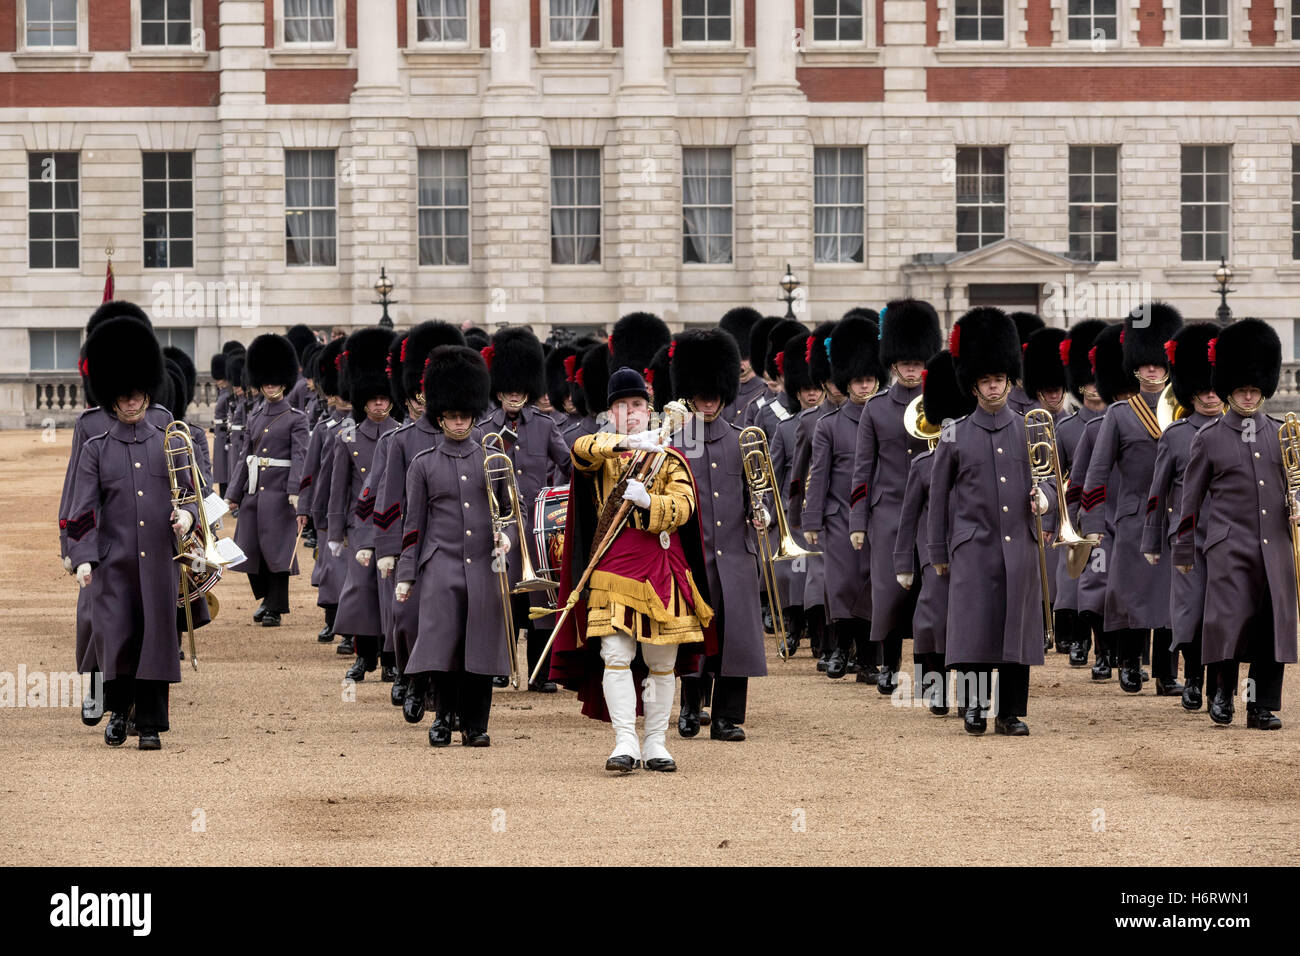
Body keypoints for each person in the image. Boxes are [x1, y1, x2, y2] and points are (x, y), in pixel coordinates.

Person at [548, 367, 716, 773]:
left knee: (661, 661)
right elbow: (581, 449)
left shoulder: (670, 458)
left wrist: (648, 504)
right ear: (611, 412)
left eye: (637, 405)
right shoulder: (603, 451)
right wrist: (628, 443)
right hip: (613, 568)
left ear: (650, 409)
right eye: (621, 406)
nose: (630, 411)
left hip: (662, 569)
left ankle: (656, 741)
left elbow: (685, 506)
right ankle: (625, 740)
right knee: (615, 654)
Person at [67, 316, 200, 750]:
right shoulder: (96, 447)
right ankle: (118, 713)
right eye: (124, 397)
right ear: (113, 399)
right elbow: (83, 507)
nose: (133, 402)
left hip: (160, 560)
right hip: (114, 561)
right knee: (117, 638)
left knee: (156, 639)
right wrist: (84, 555)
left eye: (139, 394)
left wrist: (188, 518)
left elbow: (191, 494)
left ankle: (149, 724)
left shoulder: (170, 438)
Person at [929, 307, 1053, 736]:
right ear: (974, 384)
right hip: (973, 546)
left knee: (1015, 630)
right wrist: (937, 552)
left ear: (1009, 379)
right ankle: (974, 707)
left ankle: (1011, 712)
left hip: (1019, 543)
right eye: (985, 379)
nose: (994, 385)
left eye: (999, 378)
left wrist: (1046, 500)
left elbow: (1050, 479)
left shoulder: (1032, 428)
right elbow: (937, 498)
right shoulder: (954, 433)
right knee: (974, 629)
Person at [1171, 319, 1295, 729]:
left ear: (1263, 390)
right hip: (1227, 545)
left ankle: (1260, 706)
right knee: (1225, 623)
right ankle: (1221, 693)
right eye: (1242, 389)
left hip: (1273, 545)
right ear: (1229, 390)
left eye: (1254, 389)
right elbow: (1189, 501)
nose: (1247, 395)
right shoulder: (1208, 437)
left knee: (1267, 627)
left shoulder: (1281, 434)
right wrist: (1184, 550)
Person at [396, 347, 510, 748]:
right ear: (440, 416)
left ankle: (475, 723)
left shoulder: (493, 459)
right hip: (440, 563)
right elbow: (413, 525)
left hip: (485, 565)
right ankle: (443, 716)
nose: (459, 422)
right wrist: (406, 574)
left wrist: (507, 536)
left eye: (465, 416)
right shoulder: (423, 464)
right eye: (452, 416)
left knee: (480, 644)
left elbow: (513, 511)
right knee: (443, 642)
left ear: (473, 414)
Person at [1080, 303, 1184, 695]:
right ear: (1136, 368)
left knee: (1172, 596)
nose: (1153, 370)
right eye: (1146, 365)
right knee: (1132, 594)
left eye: (1159, 364)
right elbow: (1098, 471)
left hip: (1173, 515)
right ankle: (1128, 662)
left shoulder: (1182, 410)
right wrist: (1091, 525)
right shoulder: (1120, 415)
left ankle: (1167, 673)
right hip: (1132, 515)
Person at [669, 330, 767, 742]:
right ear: (691, 394)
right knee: (694, 636)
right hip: (692, 556)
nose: (709, 400)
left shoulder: (744, 441)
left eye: (715, 393)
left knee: (736, 637)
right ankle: (691, 705)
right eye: (702, 393)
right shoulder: (674, 444)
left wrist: (760, 514)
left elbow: (756, 497)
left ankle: (728, 715)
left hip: (736, 557)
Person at [374, 322, 469, 719]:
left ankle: (433, 688)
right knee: (408, 620)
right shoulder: (399, 441)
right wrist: (386, 551)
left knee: (447, 625)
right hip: (414, 544)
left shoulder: (471, 440)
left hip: (450, 547)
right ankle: (411, 678)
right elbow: (388, 500)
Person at [849, 299, 942, 693]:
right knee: (889, 592)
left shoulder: (940, 404)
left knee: (930, 592)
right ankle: (889, 665)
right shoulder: (875, 410)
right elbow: (862, 468)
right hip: (887, 511)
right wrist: (857, 520)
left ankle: (927, 673)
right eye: (904, 361)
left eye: (917, 361)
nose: (911, 367)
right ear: (892, 363)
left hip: (930, 512)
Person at [478, 326, 573, 690]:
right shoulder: (484, 429)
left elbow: (567, 466)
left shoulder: (545, 427)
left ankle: (541, 671)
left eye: (519, 388)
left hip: (535, 525)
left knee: (540, 599)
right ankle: (500, 665)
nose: (514, 394)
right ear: (497, 389)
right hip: (499, 526)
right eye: (507, 388)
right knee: (501, 599)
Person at [1142, 322, 1222, 711]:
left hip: (1228, 536)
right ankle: (1191, 678)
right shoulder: (1174, 435)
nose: (1209, 395)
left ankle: (1218, 688)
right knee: (1189, 611)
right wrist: (1152, 541)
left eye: (1214, 387)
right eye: (1202, 389)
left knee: (1223, 612)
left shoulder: (1242, 432)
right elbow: (1158, 493)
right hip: (1187, 537)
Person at [894, 349, 974, 715]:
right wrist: (904, 563)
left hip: (974, 546)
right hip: (934, 550)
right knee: (932, 620)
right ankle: (936, 689)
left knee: (973, 621)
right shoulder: (924, 464)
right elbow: (909, 517)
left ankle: (973, 695)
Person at [803, 314, 882, 682]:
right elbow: (817, 474)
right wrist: (813, 520)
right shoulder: (829, 425)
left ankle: (868, 658)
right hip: (838, 515)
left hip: (876, 514)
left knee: (870, 584)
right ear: (847, 383)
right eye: (859, 380)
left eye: (869, 379)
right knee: (842, 584)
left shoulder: (886, 419)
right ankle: (838, 649)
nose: (865, 386)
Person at [328, 328, 400, 683]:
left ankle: (390, 657)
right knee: (361, 593)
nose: (379, 404)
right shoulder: (348, 436)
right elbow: (338, 488)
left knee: (390, 594)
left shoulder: (400, 434)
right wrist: (334, 529)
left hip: (391, 525)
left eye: (384, 399)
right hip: (361, 526)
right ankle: (364, 656)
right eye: (372, 399)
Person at [224, 334, 309, 627]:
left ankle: (274, 606)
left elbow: (301, 456)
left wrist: (296, 491)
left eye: (275, 381)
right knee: (248, 549)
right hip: (254, 493)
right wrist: (232, 493)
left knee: (278, 552)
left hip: (279, 493)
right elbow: (244, 457)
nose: (270, 386)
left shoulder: (295, 418)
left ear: (283, 383)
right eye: (266, 381)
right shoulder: (256, 416)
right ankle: (265, 597)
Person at [1071, 324, 1126, 680]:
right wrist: (1085, 521)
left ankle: (1130, 657)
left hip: (1137, 516)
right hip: (1104, 517)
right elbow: (1082, 481)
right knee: (1097, 590)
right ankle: (1104, 652)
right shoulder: (1094, 429)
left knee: (1132, 593)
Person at [1052, 320, 1108, 667]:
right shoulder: (1067, 427)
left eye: (1097, 382)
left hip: (1107, 509)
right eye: (1087, 383)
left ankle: (1106, 649)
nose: (1093, 389)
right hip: (1075, 511)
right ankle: (1079, 640)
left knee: (1104, 580)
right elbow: (1052, 475)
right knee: (1074, 579)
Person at [786, 321, 840, 669]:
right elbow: (798, 474)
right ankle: (825, 642)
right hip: (823, 509)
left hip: (857, 507)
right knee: (820, 579)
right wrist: (796, 515)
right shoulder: (808, 421)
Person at [1020, 326, 1070, 652]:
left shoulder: (1069, 420)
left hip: (1062, 509)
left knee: (1059, 577)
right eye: (1048, 391)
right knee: (1036, 577)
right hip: (1035, 505)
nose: (1053, 396)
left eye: (1058, 391)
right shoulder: (1028, 419)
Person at [718, 307, 768, 426]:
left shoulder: (766, 392)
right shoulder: (720, 392)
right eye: (737, 357)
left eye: (745, 357)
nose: (740, 363)